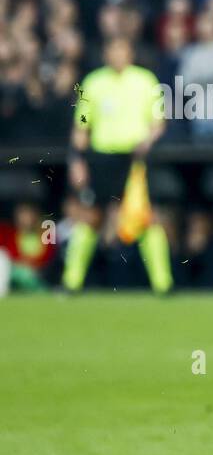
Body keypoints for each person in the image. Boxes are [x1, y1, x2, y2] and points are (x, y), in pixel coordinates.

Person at [64, 37, 173, 294]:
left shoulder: (145, 80)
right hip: (101, 158)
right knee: (91, 218)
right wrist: (77, 160)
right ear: (106, 53)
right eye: (112, 50)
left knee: (145, 218)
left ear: (130, 52)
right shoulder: (92, 83)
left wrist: (147, 141)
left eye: (122, 49)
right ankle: (71, 283)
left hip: (134, 159)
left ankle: (163, 284)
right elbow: (81, 126)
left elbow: (158, 123)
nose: (117, 55)